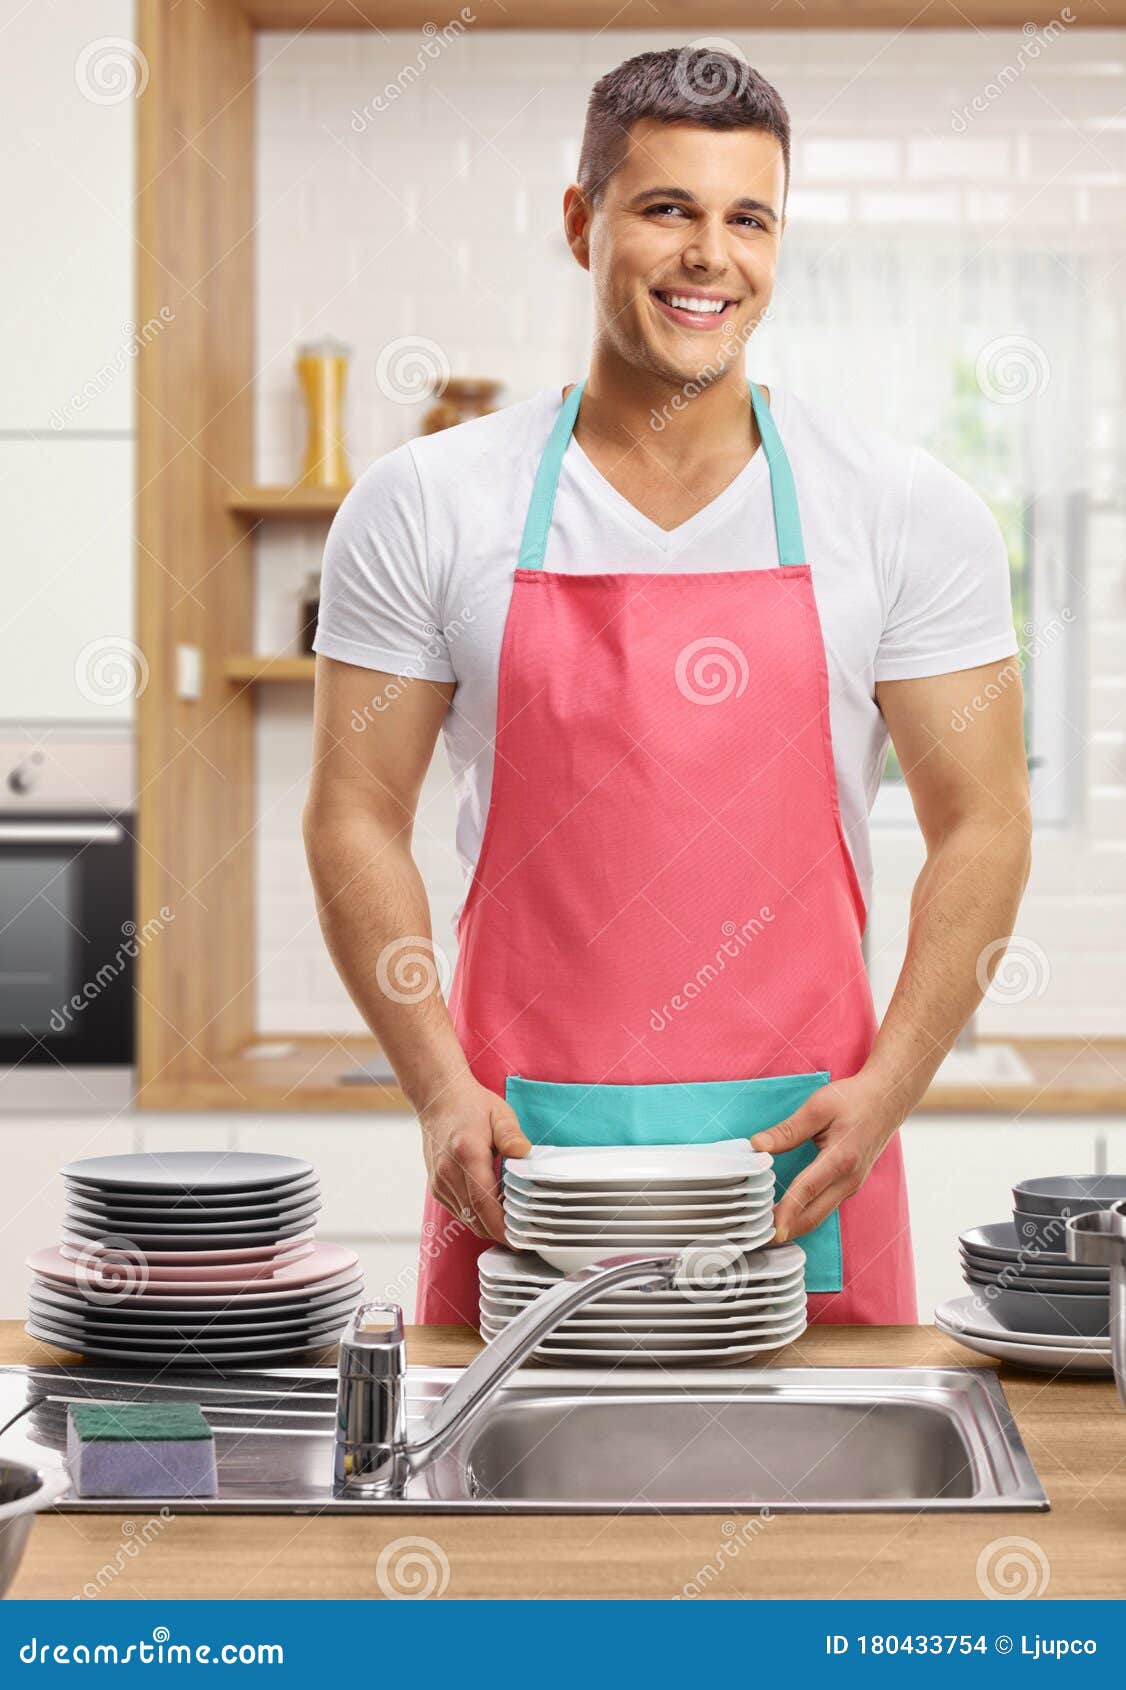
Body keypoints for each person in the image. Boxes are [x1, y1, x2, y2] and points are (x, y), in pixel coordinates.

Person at [304, 46, 1030, 1327]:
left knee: (824, 1512)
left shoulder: (905, 510)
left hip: (800, 1155)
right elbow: (353, 810)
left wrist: (891, 1087)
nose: (712, 255)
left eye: (747, 217)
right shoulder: (428, 502)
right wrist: (433, 1083)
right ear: (581, 221)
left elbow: (984, 822)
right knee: (509, 1512)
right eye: (666, 210)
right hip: (519, 1155)